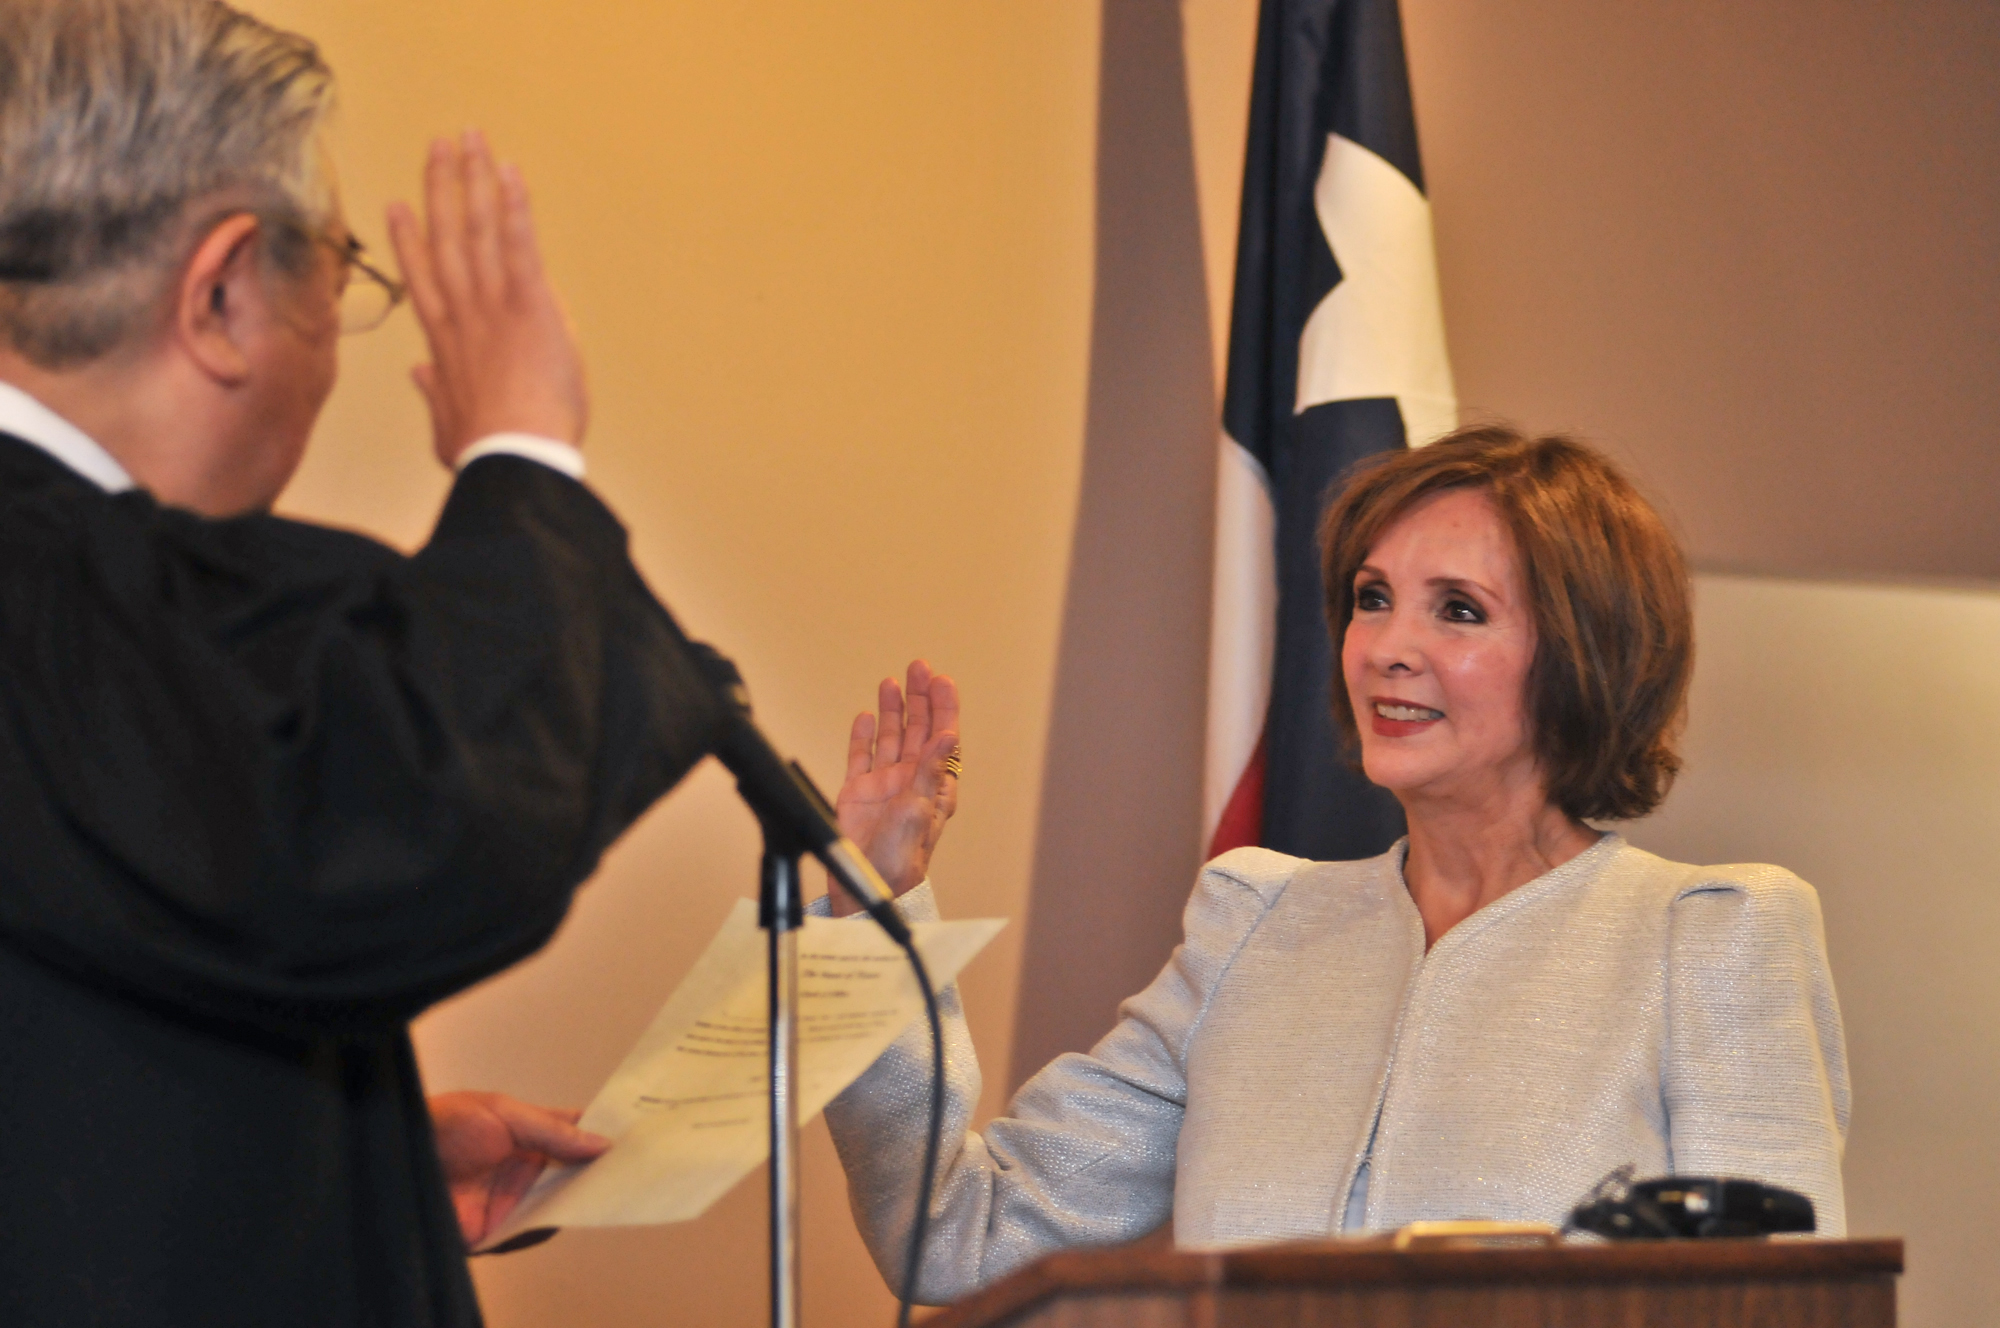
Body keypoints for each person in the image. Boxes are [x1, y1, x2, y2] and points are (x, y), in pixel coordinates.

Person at [0, 2, 726, 1324]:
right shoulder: (59, 583)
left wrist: (358, 1154)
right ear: (222, 294)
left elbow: (87, 1041)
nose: (343, 336)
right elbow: (420, 821)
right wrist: (525, 450)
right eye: (341, 278)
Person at [823, 426, 1850, 1304]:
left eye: (1455, 607)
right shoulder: (1256, 926)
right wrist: (874, 909)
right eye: (1370, 597)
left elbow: (1782, 1310)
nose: (1384, 646)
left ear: (1582, 651)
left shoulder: (1708, 937)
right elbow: (955, 1232)